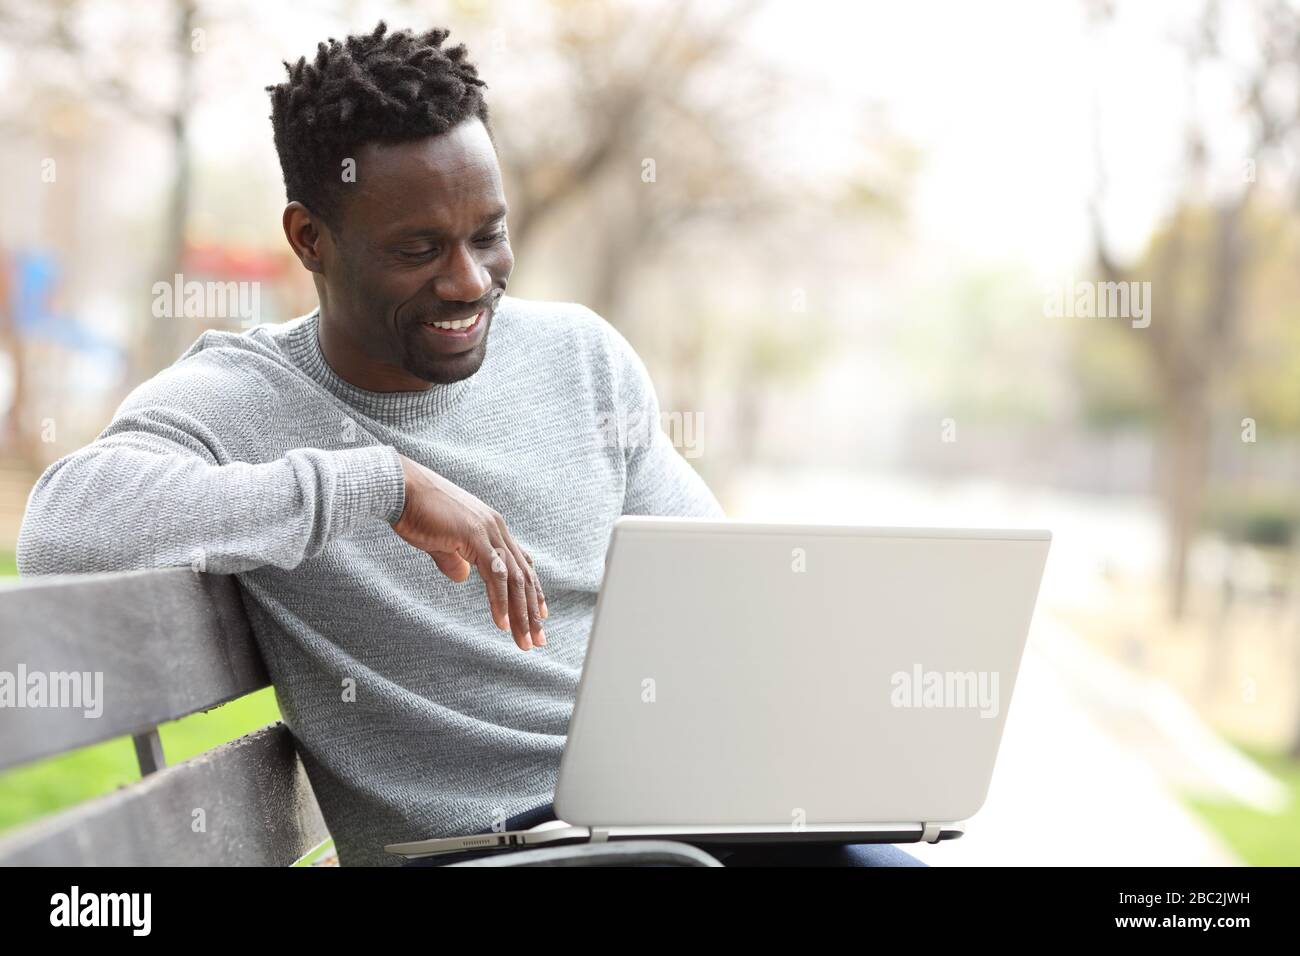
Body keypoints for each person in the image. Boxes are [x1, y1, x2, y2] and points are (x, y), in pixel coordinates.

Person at [17, 21, 922, 868]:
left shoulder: (580, 360)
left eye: (488, 236)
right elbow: (60, 529)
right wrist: (379, 484)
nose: (468, 281)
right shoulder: (240, 399)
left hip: (659, 815)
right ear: (310, 240)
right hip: (488, 854)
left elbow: (718, 588)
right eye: (417, 250)